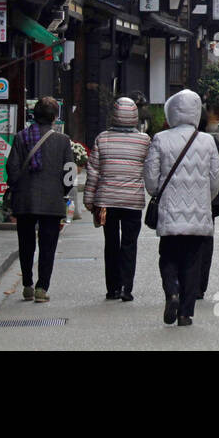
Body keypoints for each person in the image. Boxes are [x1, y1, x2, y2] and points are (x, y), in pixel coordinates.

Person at [144, 89, 219, 327]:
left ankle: (172, 293)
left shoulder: (160, 139)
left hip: (170, 210)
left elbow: (150, 176)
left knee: (167, 256)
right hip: (198, 212)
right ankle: (186, 313)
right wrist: (204, 198)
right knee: (192, 261)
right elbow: (216, 176)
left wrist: (158, 192)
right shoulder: (208, 141)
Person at [6, 97, 72, 303]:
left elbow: (12, 169)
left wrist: (18, 187)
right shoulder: (62, 141)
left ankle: (27, 285)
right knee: (48, 245)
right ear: (54, 117)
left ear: (34, 115)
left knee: (25, 243)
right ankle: (42, 288)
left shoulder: (21, 137)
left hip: (25, 200)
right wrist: (62, 191)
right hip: (52, 201)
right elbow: (69, 173)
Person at [84, 96, 150, 302]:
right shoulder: (144, 140)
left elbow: (93, 171)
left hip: (107, 201)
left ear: (114, 115)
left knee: (111, 243)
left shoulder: (102, 138)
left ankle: (112, 287)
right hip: (132, 200)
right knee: (130, 243)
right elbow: (149, 171)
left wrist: (89, 199)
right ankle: (126, 288)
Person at [196, 109, 219, 302]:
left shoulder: (165, 139)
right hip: (205, 202)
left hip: (175, 202)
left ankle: (176, 285)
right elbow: (217, 173)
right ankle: (199, 286)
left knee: (177, 242)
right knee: (204, 242)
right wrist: (213, 198)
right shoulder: (211, 142)